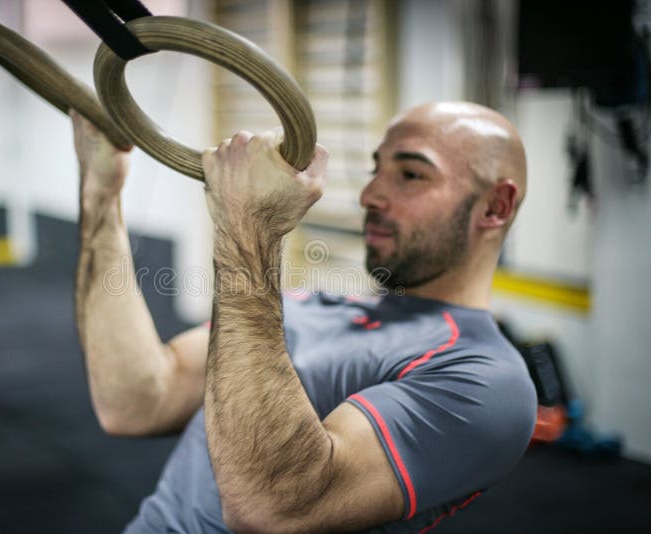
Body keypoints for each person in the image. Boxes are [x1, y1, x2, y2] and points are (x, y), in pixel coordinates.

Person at [70, 101, 537, 533]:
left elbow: (272, 508)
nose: (370, 194)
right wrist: (100, 194)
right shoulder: (302, 305)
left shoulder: (486, 379)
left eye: (411, 175)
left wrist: (248, 226)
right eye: (376, 170)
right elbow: (135, 401)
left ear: (495, 207)